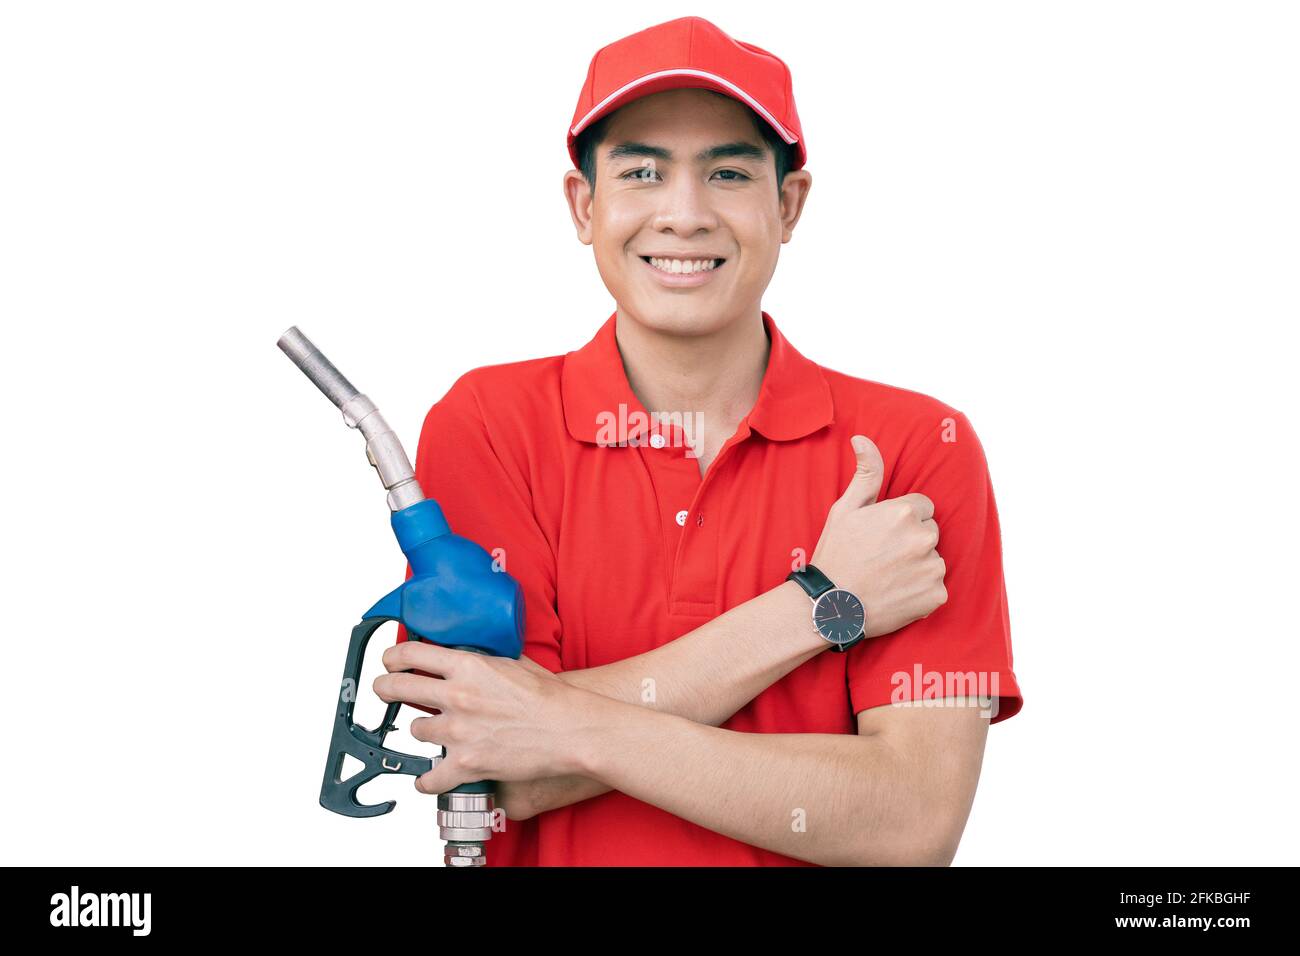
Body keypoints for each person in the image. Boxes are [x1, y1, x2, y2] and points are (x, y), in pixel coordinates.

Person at [377, 15, 1023, 866]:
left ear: (787, 205)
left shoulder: (914, 449)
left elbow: (910, 826)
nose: (684, 216)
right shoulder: (488, 423)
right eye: (642, 171)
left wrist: (561, 723)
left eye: (727, 172)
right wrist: (821, 605)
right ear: (585, 204)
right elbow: (495, 774)